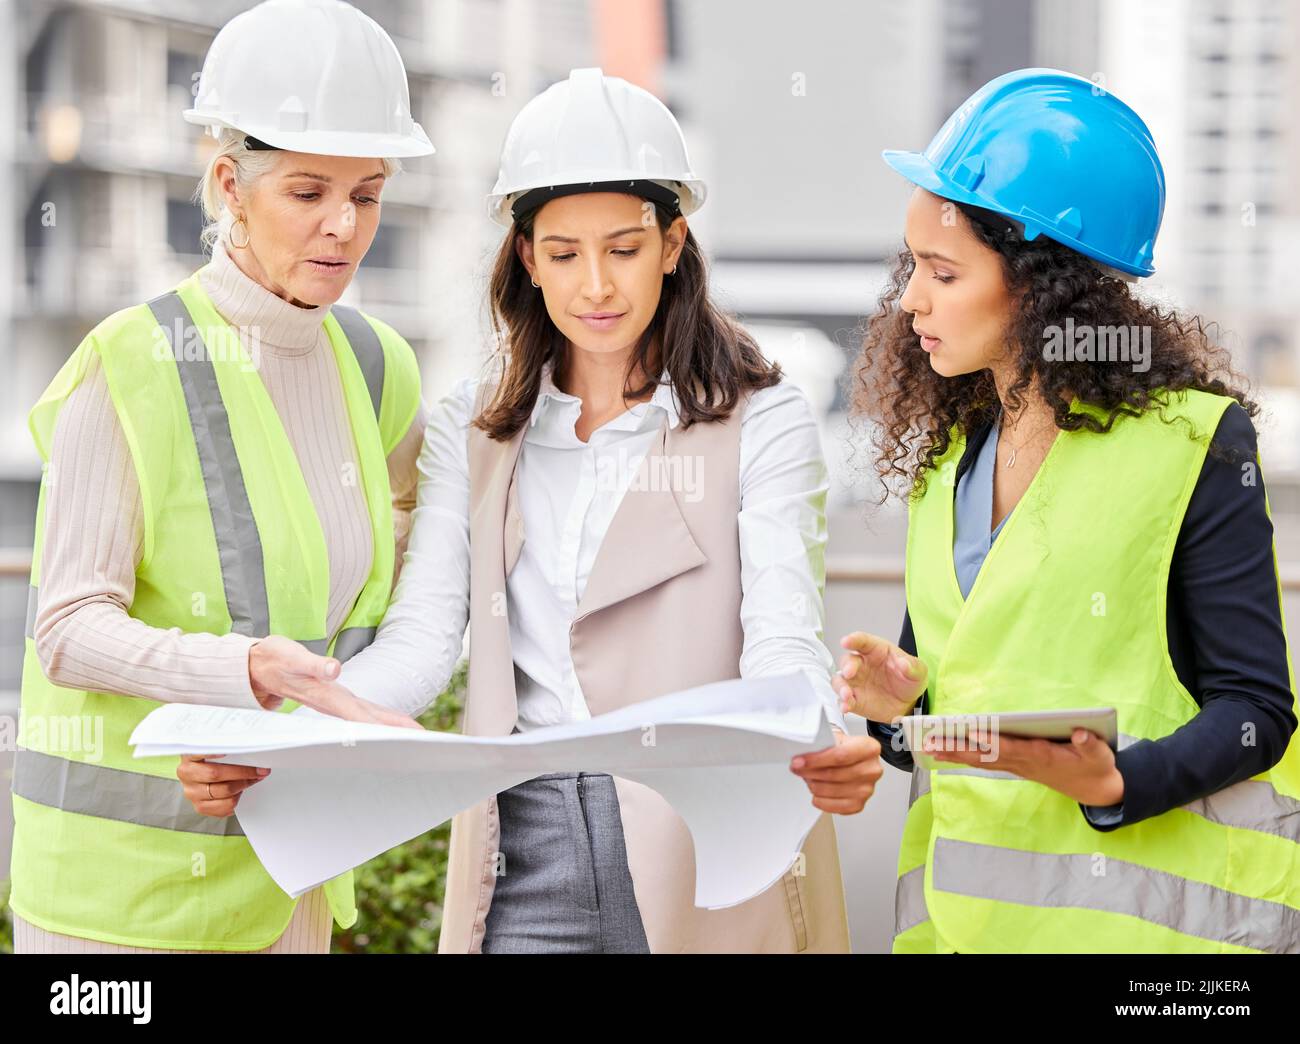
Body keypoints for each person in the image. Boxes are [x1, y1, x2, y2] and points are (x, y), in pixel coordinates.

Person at [188, 67, 880, 953]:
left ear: (673, 244)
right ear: (526, 257)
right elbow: (422, 646)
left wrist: (819, 731)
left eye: (624, 249)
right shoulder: (474, 430)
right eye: (563, 254)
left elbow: (783, 632)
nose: (596, 285)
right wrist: (278, 744)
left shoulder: (762, 421)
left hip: (706, 829)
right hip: (523, 844)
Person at [835, 68, 1298, 954]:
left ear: (1043, 284)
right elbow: (943, 724)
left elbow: (1256, 710)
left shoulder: (1194, 446)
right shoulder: (949, 463)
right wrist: (899, 706)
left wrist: (1116, 781)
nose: (910, 301)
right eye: (912, 267)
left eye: (942, 271)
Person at [10, 0, 428, 954]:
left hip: (294, 878)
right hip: (120, 911)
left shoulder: (376, 366)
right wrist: (239, 677)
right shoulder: (129, 361)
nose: (342, 228)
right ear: (231, 185)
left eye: (366, 194)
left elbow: (389, 582)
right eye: (307, 191)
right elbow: (68, 627)